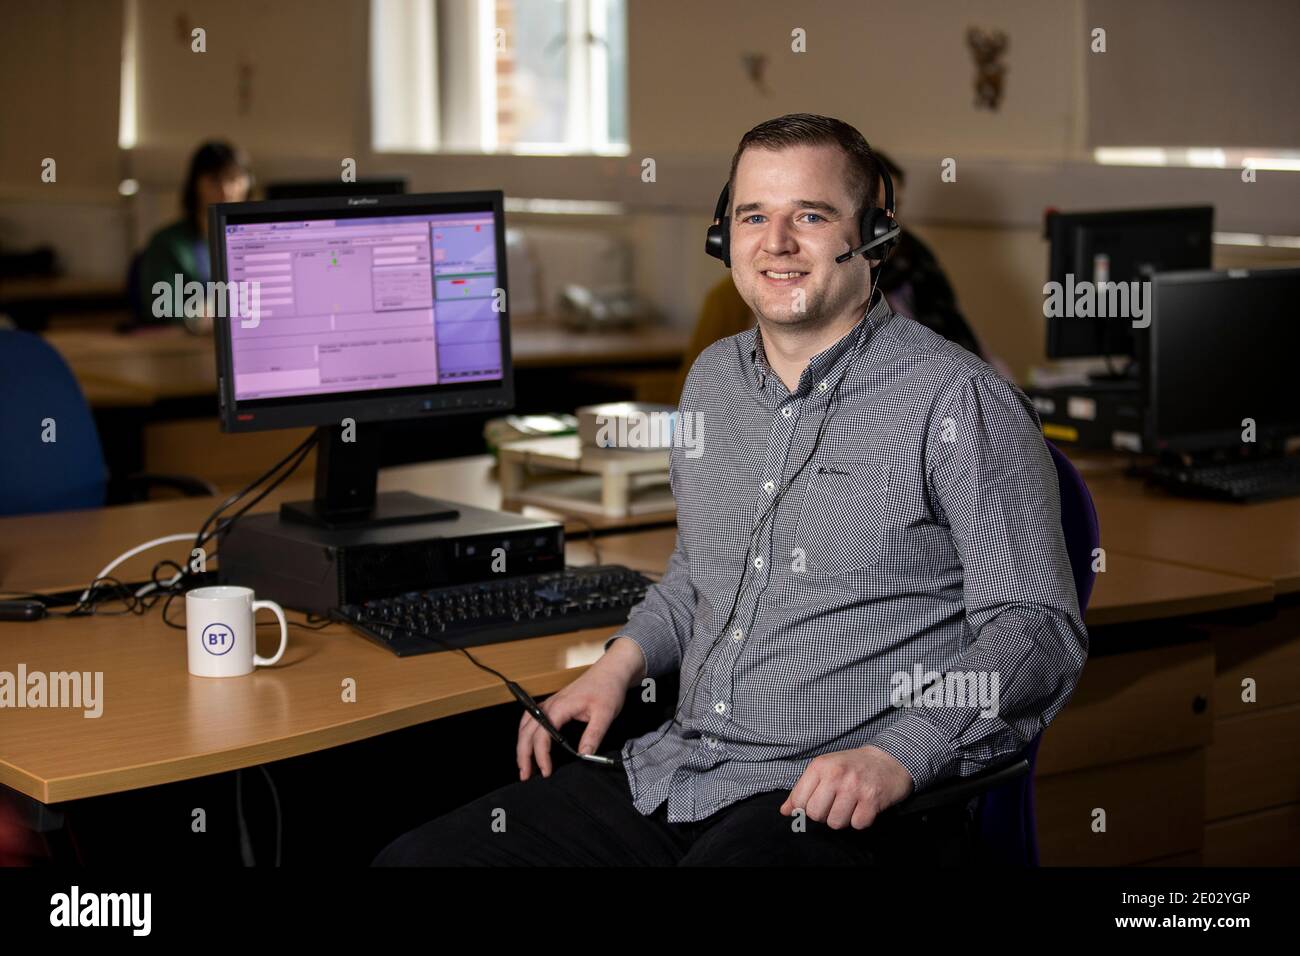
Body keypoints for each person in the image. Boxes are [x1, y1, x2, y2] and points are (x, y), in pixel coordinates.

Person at [375, 113, 1088, 866]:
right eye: (754, 216)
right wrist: (618, 666)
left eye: (809, 216)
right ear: (725, 236)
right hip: (683, 769)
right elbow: (700, 572)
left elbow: (1035, 629)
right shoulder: (712, 381)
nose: (775, 242)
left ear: (874, 235)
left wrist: (899, 754)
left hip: (836, 796)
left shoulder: (957, 400)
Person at [673, 148, 1000, 400]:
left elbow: (981, 360)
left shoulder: (920, 274)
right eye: (757, 218)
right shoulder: (728, 327)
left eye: (887, 217)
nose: (777, 243)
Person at [133, 140, 252, 329]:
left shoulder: (257, 241)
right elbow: (163, 312)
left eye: (233, 179)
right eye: (215, 180)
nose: (226, 191)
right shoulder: (167, 244)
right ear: (195, 185)